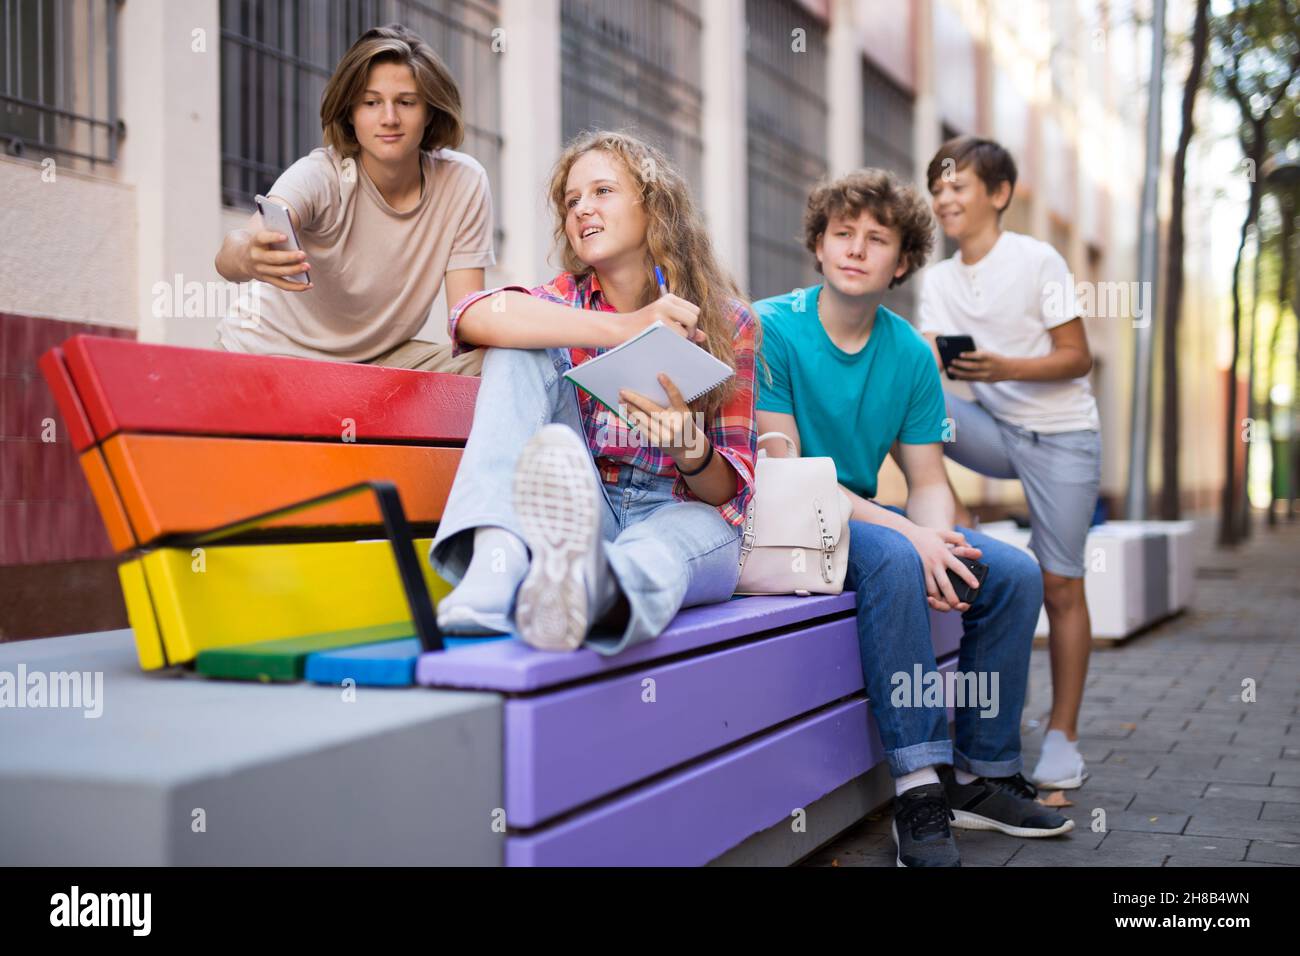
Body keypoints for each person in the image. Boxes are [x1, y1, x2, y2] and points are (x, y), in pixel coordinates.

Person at [753, 168, 1073, 867]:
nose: (857, 249)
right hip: (784, 520)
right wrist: (912, 537)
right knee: (900, 555)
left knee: (1010, 571)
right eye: (843, 234)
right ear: (818, 245)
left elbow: (928, 479)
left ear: (900, 262)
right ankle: (919, 785)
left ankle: (983, 775)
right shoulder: (771, 328)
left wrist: (939, 537)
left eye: (877, 239)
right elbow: (786, 477)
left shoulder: (908, 351)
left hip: (865, 518)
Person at [426, 130, 758, 656]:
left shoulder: (729, 320)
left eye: (602, 192)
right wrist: (627, 327)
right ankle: (499, 559)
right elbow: (471, 315)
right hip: (588, 504)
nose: (582, 210)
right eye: (571, 201)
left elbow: (726, 490)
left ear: (653, 206)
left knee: (659, 550)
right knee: (517, 343)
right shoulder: (563, 301)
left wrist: (688, 449)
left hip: (681, 512)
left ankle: (583, 593)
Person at [920, 136, 1102, 790]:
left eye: (957, 185)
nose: (944, 197)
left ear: (997, 194)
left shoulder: (1038, 260)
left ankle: (1063, 734)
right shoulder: (938, 280)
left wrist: (1004, 367)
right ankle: (952, 516)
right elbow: (925, 370)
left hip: (1061, 436)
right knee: (903, 391)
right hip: (993, 432)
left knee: (1060, 583)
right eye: (936, 187)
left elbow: (1077, 357)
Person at [213, 24, 492, 374]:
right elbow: (234, 251)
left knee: (495, 363)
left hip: (378, 362)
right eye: (371, 103)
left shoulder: (463, 181)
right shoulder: (320, 174)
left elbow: (467, 319)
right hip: (272, 353)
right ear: (350, 113)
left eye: (406, 102)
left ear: (431, 111)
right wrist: (247, 255)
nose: (389, 118)